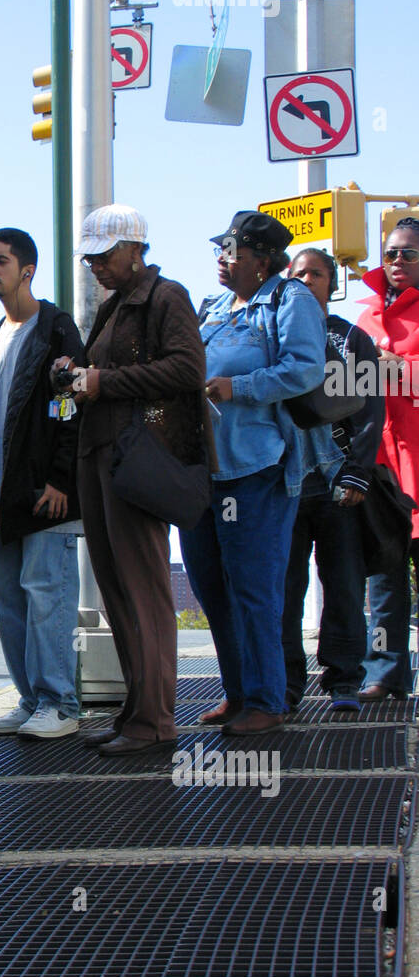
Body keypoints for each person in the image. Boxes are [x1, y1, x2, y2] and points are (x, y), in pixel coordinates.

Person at [180, 211, 342, 735]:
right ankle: (237, 693)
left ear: (263, 259)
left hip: (258, 469)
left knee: (254, 589)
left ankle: (268, 700)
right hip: (206, 470)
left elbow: (304, 369)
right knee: (211, 586)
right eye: (220, 251)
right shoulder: (215, 308)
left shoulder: (289, 300)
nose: (221, 261)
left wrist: (238, 387)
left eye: (232, 252)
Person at [54, 204, 208, 756]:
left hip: (134, 458)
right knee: (117, 589)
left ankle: (154, 720)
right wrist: (77, 377)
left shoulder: (166, 297)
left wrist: (104, 380)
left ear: (135, 247)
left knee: (142, 590)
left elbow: (190, 370)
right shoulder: (117, 304)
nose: (95, 266)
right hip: (103, 454)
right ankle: (137, 709)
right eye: (90, 258)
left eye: (103, 255)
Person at [0, 229, 84, 738]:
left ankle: (60, 703)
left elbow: (70, 403)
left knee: (46, 593)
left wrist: (61, 478)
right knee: (9, 601)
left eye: (1, 261)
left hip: (44, 494)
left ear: (27, 270)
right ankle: (32, 699)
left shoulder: (56, 328)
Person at [281, 248, 383, 716]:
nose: (306, 281)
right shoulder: (274, 336)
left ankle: (344, 679)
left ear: (332, 282)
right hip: (283, 480)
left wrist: (358, 470)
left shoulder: (350, 339)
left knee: (342, 583)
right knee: (283, 588)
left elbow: (370, 412)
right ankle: (284, 683)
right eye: (298, 274)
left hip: (338, 478)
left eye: (316, 274)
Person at [355, 216, 419, 700]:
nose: (397, 261)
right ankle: (384, 673)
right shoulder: (366, 316)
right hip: (380, 466)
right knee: (384, 573)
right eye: (391, 253)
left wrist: (401, 369)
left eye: (408, 254)